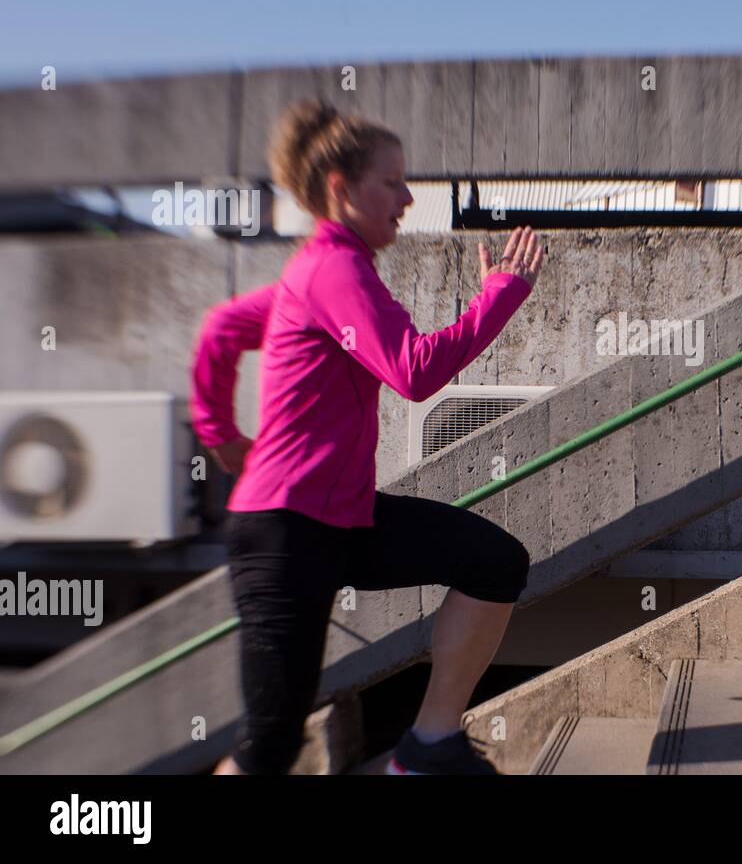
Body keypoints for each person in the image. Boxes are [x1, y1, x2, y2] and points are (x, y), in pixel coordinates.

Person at [189, 98, 544, 775]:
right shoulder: (332, 270)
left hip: (342, 521)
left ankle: (429, 744)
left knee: (494, 561)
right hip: (285, 531)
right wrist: (499, 293)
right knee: (270, 748)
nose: (408, 197)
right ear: (341, 190)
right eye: (393, 181)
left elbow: (221, 330)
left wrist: (226, 438)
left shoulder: (321, 273)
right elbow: (412, 371)